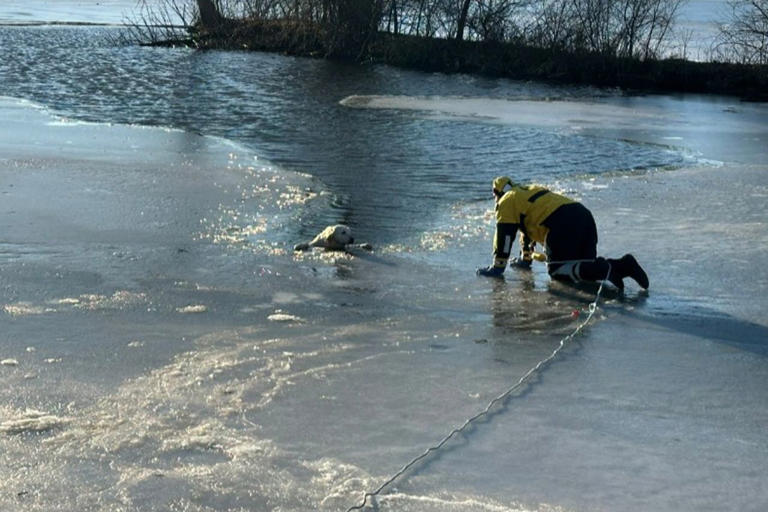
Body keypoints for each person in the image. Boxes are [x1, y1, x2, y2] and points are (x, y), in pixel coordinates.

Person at [476, 176, 649, 292]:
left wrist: (498, 267)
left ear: (496, 193)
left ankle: (604, 268)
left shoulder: (506, 201)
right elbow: (526, 229)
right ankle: (623, 265)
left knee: (557, 271)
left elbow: (505, 236)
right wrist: (525, 259)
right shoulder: (525, 192)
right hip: (583, 215)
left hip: (562, 222)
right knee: (584, 266)